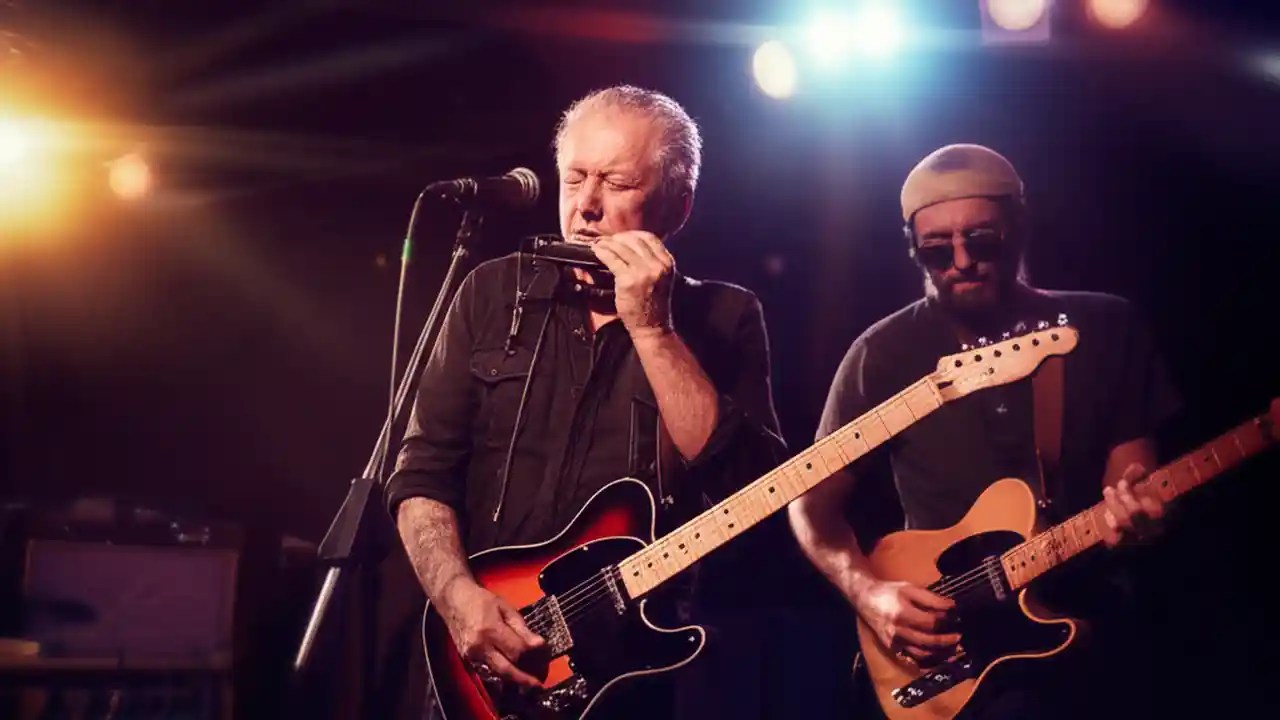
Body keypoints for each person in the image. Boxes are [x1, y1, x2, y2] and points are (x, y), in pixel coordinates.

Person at [385, 85, 786, 719]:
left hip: (625, 677)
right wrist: (458, 596)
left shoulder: (723, 317)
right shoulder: (489, 294)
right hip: (473, 665)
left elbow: (750, 488)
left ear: (677, 206)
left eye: (618, 183)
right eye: (575, 179)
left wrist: (653, 328)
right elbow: (420, 474)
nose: (587, 207)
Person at [787, 144, 1181, 719]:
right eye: (936, 249)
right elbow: (810, 506)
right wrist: (870, 594)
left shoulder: (1104, 325)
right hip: (958, 652)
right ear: (912, 250)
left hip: (1096, 626)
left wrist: (1140, 516)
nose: (963, 260)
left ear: (1020, 228)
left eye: (983, 239)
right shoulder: (881, 353)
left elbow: (1133, 476)